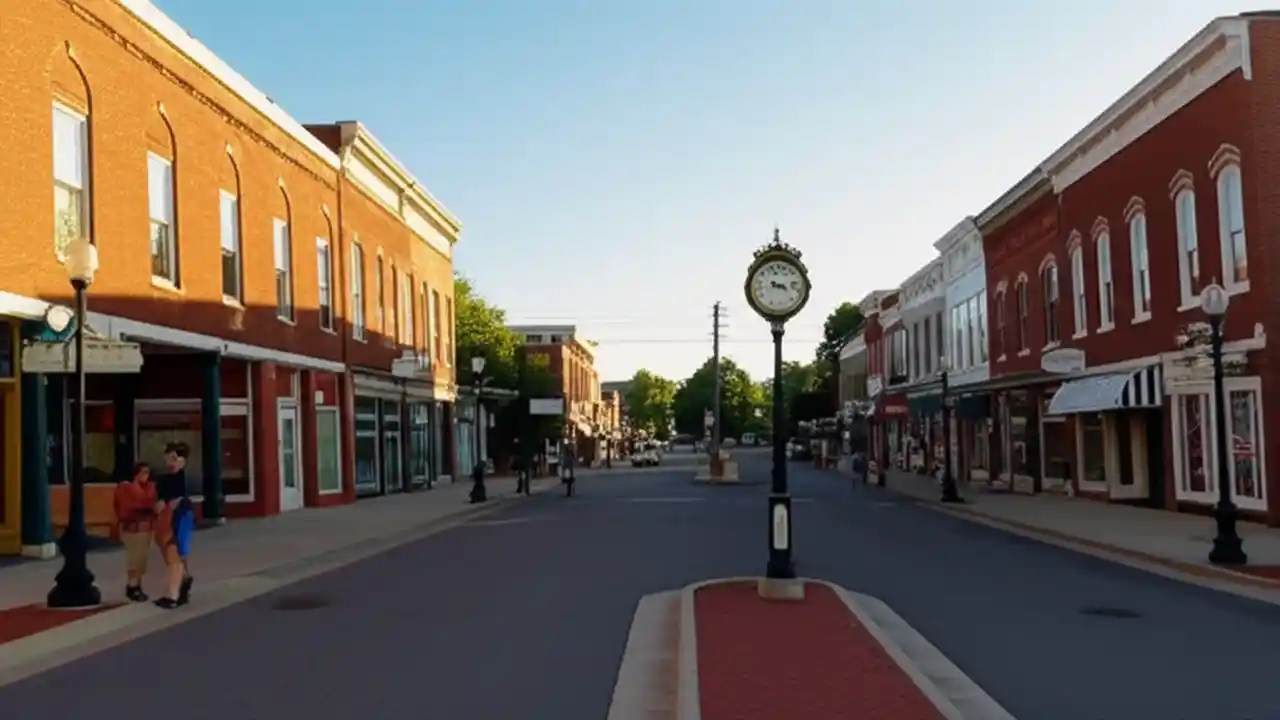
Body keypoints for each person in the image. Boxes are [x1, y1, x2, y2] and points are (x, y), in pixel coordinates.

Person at [153, 442, 195, 609]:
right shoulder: (164, 479)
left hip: (180, 517)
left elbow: (178, 500)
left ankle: (172, 595)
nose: (172, 461)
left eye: (176, 458)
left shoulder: (183, 479)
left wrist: (168, 503)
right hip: (166, 518)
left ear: (183, 461)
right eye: (169, 457)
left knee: (174, 553)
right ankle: (183, 580)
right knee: (170, 552)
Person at [113, 462, 157, 602]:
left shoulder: (150, 488)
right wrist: (147, 507)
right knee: (135, 559)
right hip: (133, 529)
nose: (146, 476)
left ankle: (137, 584)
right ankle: (133, 586)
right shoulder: (126, 488)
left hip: (146, 528)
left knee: (142, 559)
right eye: (143, 472)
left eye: (148, 473)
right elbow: (126, 509)